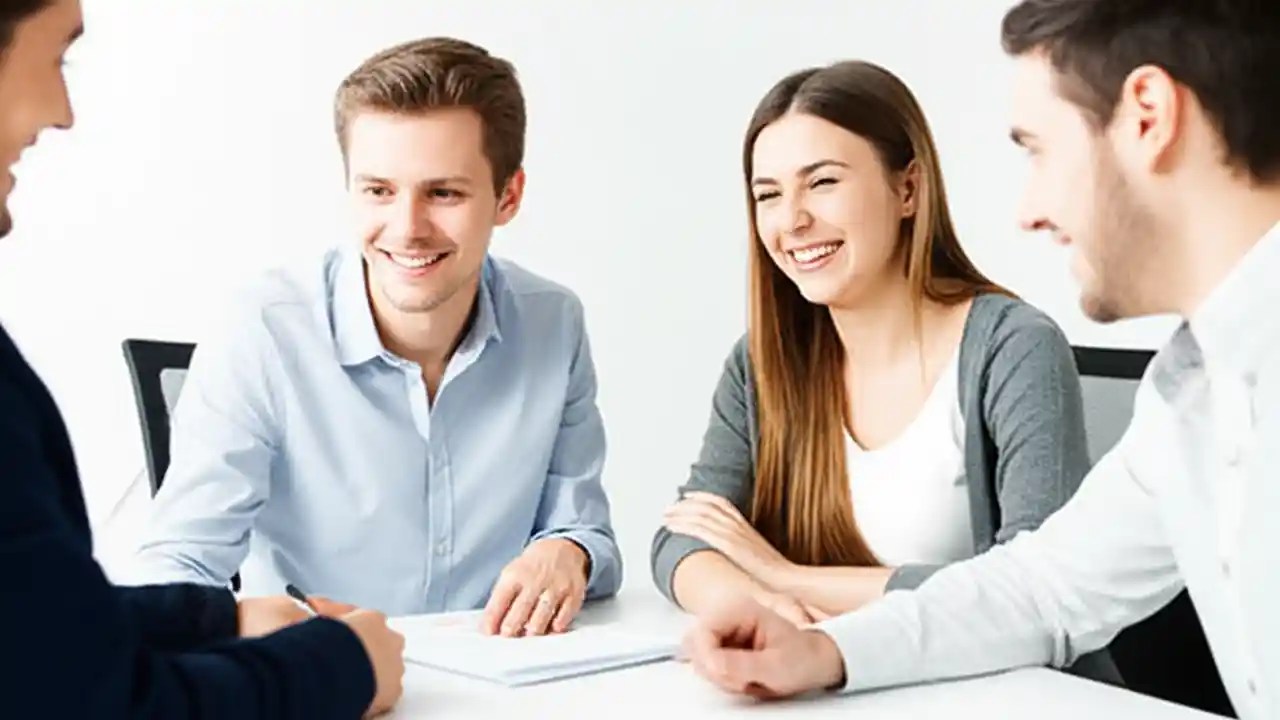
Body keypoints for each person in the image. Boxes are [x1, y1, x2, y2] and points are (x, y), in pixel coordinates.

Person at [680, 2, 1280, 717]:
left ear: (1147, 116)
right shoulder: (1190, 391)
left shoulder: (1017, 344)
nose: (1028, 209)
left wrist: (790, 580)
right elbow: (1040, 589)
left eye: (1039, 150)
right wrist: (826, 652)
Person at [128, 36, 622, 637]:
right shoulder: (263, 330)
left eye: (444, 192)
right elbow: (175, 567)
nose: (407, 229)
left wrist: (568, 553)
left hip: (497, 681)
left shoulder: (554, 323)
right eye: (378, 190)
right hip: (319, 682)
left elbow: (586, 531)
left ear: (507, 197)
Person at [0, 1, 405, 717]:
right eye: (60, 56)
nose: (64, 113)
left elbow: (35, 631)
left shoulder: (551, 321)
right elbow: (97, 704)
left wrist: (218, 622)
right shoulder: (261, 326)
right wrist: (342, 666)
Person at [651, 60, 1114, 680]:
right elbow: (685, 539)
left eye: (822, 183)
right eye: (768, 195)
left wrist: (785, 574)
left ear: (909, 190)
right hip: (841, 685)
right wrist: (770, 606)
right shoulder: (762, 361)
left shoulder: (1013, 348)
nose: (791, 221)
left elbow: (1030, 587)